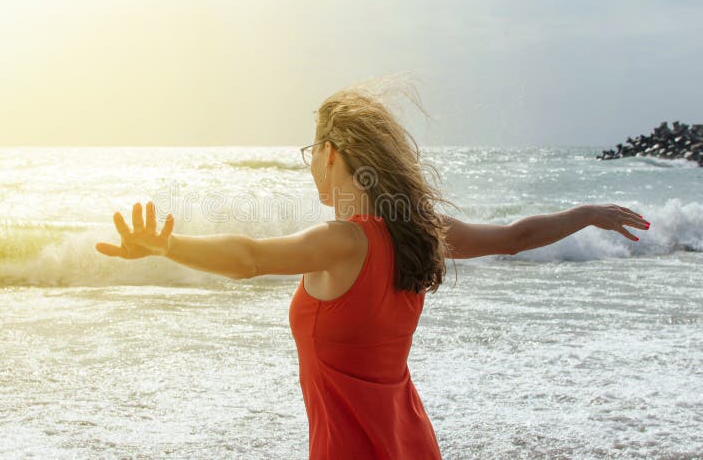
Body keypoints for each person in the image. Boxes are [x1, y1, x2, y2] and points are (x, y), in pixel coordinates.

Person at [95, 76, 650, 459]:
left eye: (309, 150)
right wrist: (585, 212)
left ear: (332, 153)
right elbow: (514, 237)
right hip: (412, 444)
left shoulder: (342, 241)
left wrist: (167, 247)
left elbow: (249, 258)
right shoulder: (419, 234)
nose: (308, 162)